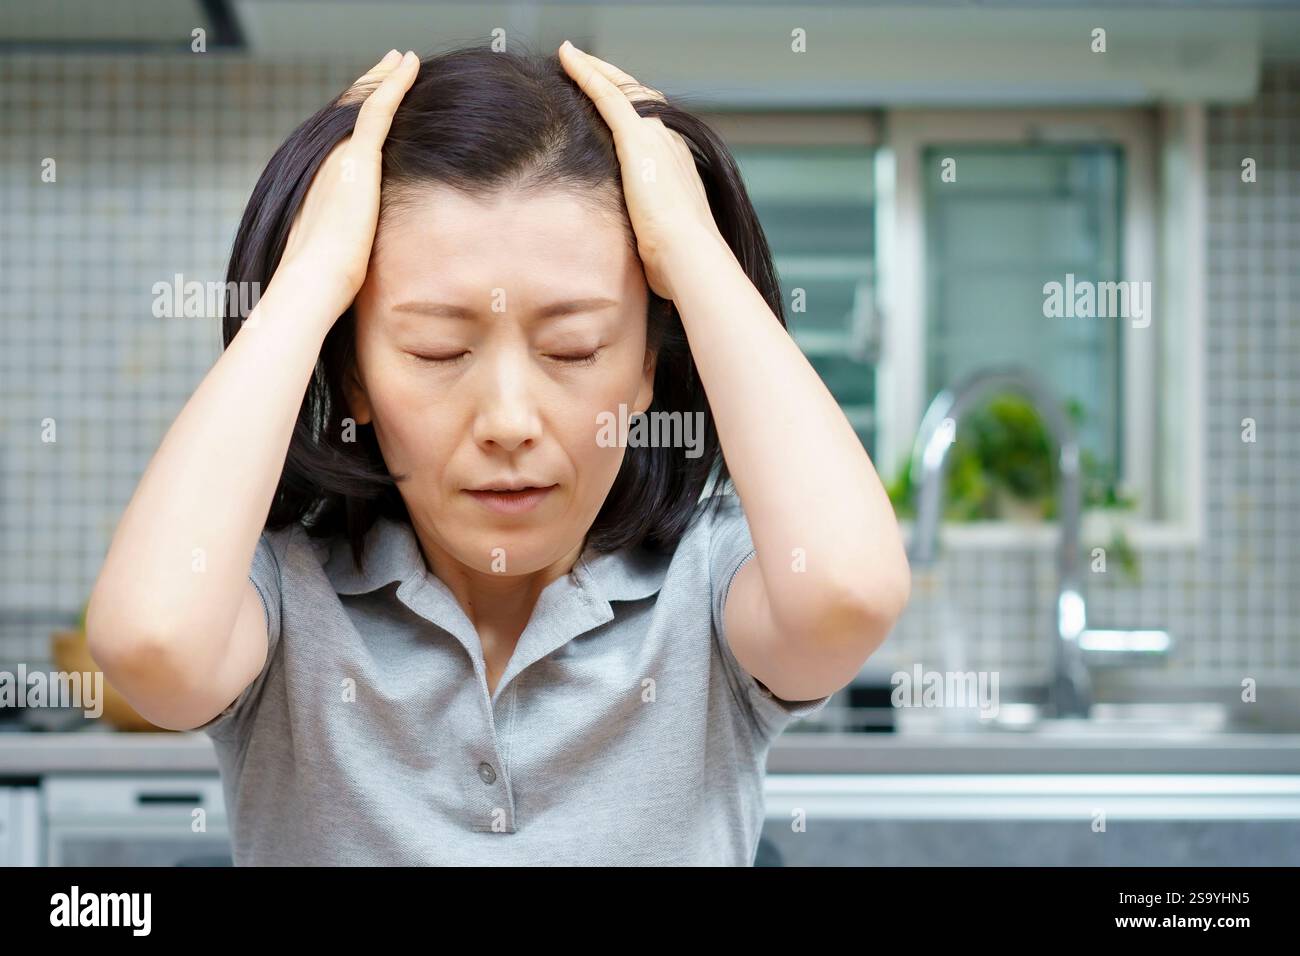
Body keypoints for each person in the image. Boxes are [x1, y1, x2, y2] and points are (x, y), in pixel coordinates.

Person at [86, 42, 910, 865]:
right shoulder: (286, 599)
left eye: (576, 347)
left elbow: (847, 591)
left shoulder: (709, 585)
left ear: (647, 369)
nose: (509, 421)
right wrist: (311, 272)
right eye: (439, 352)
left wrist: (693, 244)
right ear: (354, 375)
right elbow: (153, 646)